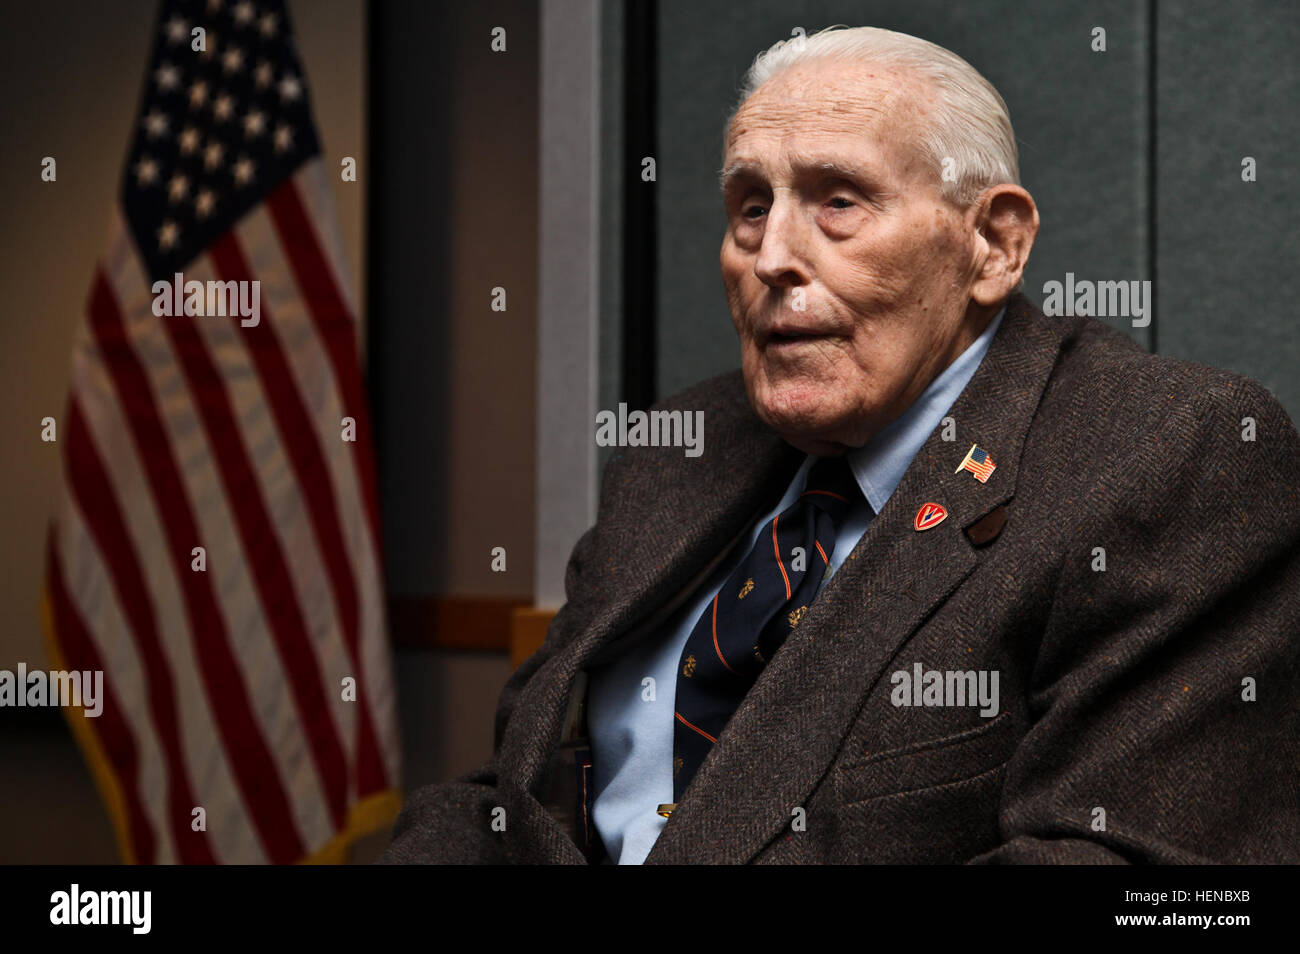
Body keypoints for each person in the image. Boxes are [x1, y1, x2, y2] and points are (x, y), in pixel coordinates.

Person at [380, 25, 1300, 864]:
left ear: (994, 244)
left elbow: (1152, 885)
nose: (773, 254)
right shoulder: (676, 455)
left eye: (839, 201)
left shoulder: (1170, 453)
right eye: (749, 207)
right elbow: (522, 794)